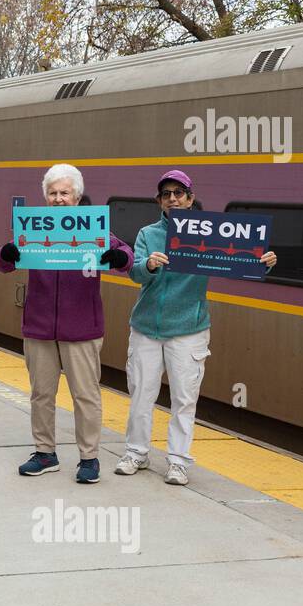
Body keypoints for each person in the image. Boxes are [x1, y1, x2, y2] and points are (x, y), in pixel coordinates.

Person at [116, 170, 278, 485]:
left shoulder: (214, 232)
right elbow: (134, 272)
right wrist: (148, 265)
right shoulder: (148, 234)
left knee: (184, 399)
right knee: (140, 394)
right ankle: (136, 453)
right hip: (146, 326)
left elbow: (240, 263)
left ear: (191, 198)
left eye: (179, 192)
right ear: (159, 201)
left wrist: (264, 261)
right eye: (167, 194)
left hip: (189, 329)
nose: (173, 198)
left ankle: (177, 461)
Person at [0, 164, 134, 483]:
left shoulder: (93, 228)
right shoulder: (32, 228)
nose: (58, 199)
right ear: (46, 197)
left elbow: (126, 256)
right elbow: (1, 264)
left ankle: (89, 458)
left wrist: (118, 258)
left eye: (64, 193)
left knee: (85, 395)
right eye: (53, 193)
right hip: (40, 327)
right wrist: (8, 251)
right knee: (41, 394)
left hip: (82, 328)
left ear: (77, 196)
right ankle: (45, 453)